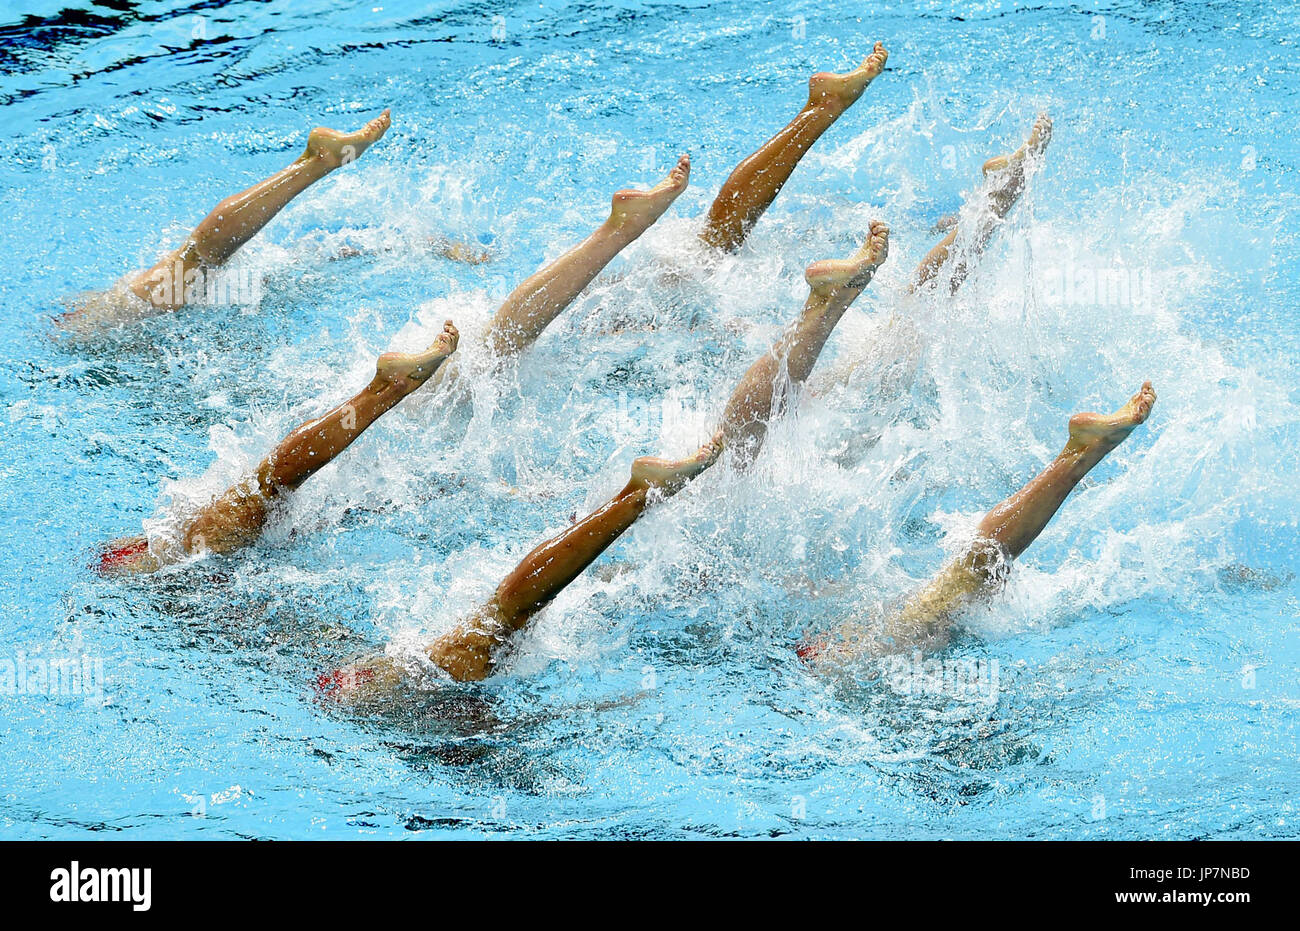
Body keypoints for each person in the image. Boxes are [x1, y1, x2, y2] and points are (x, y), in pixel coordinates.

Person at [320, 220, 892, 695]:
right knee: (735, 454)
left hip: (622, 570)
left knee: (496, 626)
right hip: (612, 557)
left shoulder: (431, 687)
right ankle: (825, 307)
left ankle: (637, 495)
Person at [802, 381, 1157, 668]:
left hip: (840, 654)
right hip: (843, 642)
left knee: (969, 577)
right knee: (967, 585)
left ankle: (1080, 453)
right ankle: (1080, 454)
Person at [56, 111, 397, 333]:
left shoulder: (98, 327)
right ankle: (401, 243)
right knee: (242, 265)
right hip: (115, 315)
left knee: (198, 258)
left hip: (115, 318)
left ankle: (317, 161)